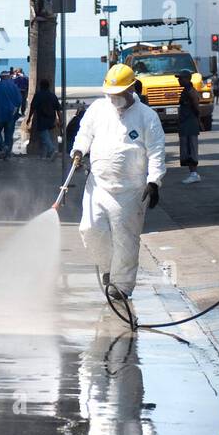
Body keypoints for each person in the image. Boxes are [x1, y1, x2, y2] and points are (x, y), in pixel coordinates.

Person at [58, 64, 165, 300]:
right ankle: (108, 268)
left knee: (125, 238)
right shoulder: (98, 109)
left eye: (118, 94)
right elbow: (85, 133)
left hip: (131, 190)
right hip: (98, 184)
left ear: (131, 89)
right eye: (111, 94)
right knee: (90, 229)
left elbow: (156, 151)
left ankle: (122, 285)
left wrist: (154, 181)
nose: (114, 99)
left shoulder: (147, 116)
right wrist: (78, 150)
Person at [0, 70, 22, 160]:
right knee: (9, 135)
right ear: (8, 77)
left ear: (1, 77)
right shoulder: (14, 86)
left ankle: (3, 148)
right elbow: (19, 100)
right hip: (11, 115)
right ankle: (7, 154)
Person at [177, 69, 203, 184]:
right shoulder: (185, 91)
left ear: (187, 79)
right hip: (185, 123)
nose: (179, 80)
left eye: (181, 78)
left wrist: (198, 121)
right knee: (186, 150)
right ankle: (192, 173)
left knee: (191, 149)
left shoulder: (191, 91)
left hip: (190, 123)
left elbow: (196, 107)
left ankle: (194, 174)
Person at [28, 79, 62, 160]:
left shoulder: (38, 95)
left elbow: (32, 108)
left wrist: (29, 118)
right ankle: (45, 155)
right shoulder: (53, 95)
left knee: (44, 136)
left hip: (42, 118)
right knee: (45, 137)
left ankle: (52, 149)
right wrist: (60, 120)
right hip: (51, 118)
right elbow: (58, 109)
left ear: (40, 86)